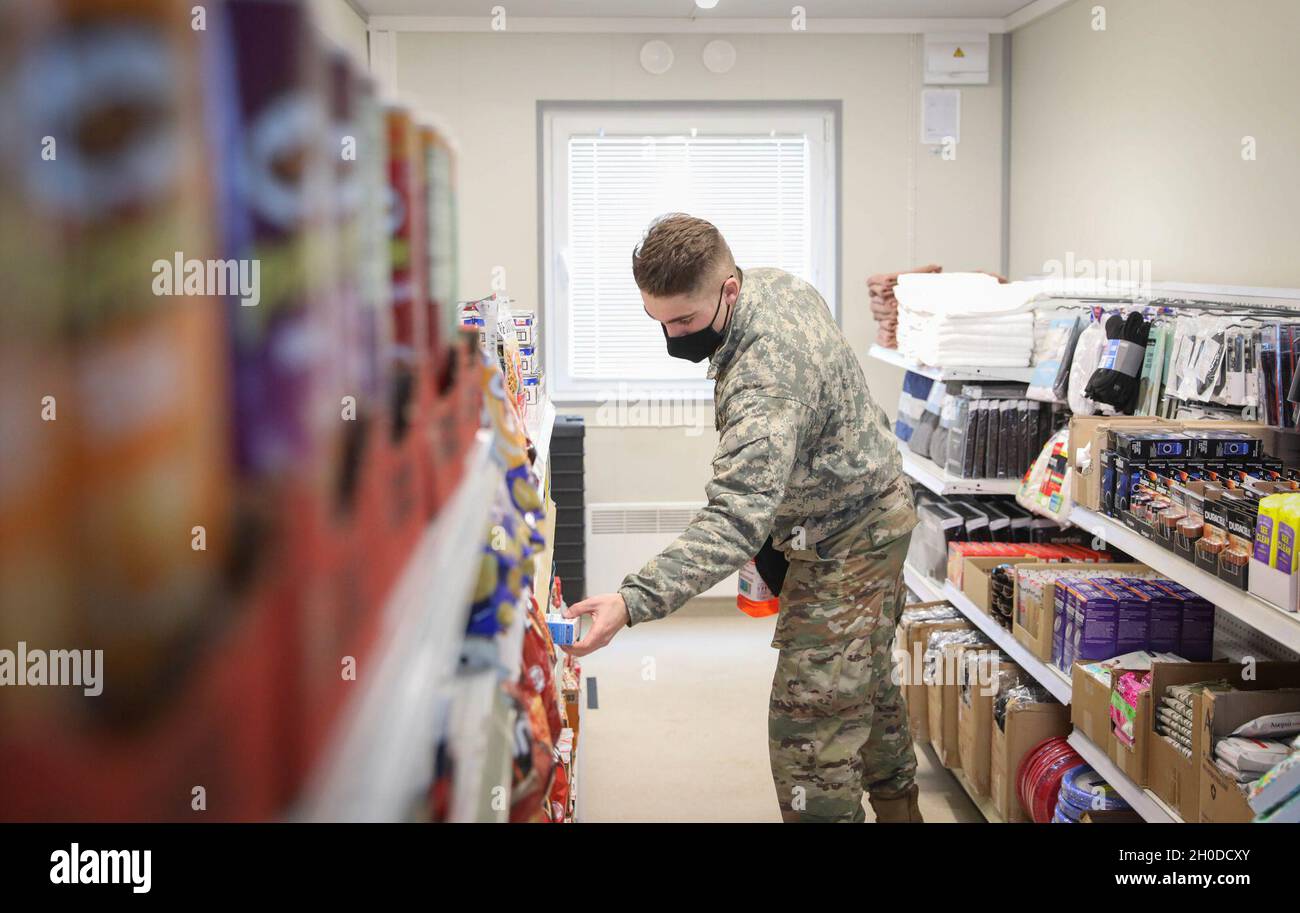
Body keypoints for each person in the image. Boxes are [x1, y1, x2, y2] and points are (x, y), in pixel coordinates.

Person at [561, 213, 921, 823]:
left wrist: (630, 601)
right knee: (866, 685)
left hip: (850, 540)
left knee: (810, 732)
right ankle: (900, 811)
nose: (672, 336)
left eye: (685, 321)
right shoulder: (774, 285)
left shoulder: (766, 384)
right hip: (863, 508)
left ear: (728, 289)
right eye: (658, 319)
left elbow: (733, 520)